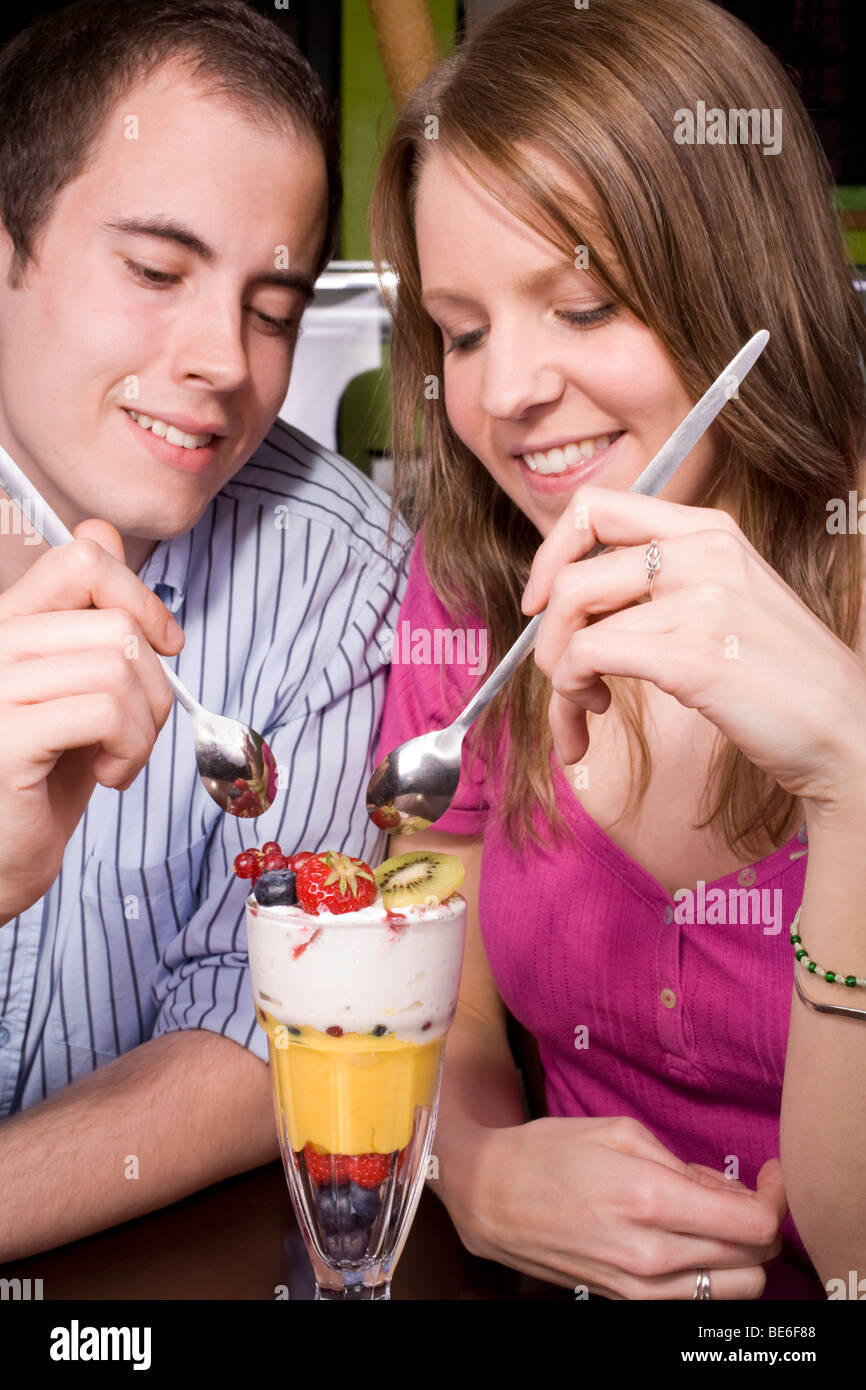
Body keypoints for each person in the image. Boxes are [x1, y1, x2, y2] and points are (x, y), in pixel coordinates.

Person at [370, 0, 866, 1300]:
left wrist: (854, 785)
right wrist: (473, 1163)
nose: (503, 391)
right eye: (463, 331)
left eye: (582, 304)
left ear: (739, 284)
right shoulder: (473, 568)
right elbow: (436, 941)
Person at [0, 0, 406, 1261]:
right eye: (157, 272)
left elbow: (261, 1034)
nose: (222, 360)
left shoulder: (337, 570)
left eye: (272, 307)